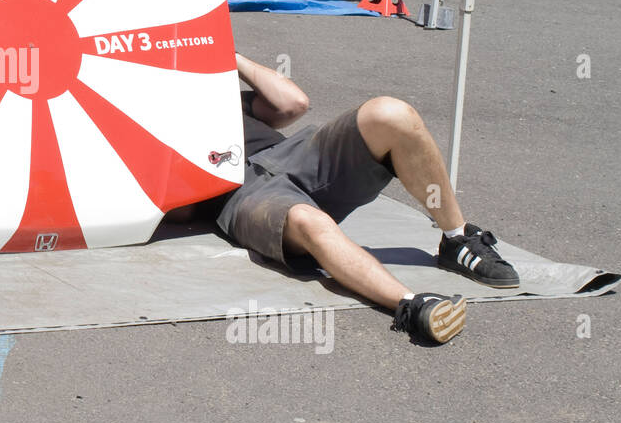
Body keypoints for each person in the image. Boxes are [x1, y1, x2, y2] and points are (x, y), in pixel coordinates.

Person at [200, 53, 521, 345]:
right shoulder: (152, 131)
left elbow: (294, 103)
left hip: (295, 154)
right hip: (242, 192)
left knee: (391, 113)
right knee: (308, 222)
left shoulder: (217, 96)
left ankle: (457, 238)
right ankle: (413, 306)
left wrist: (225, 52)